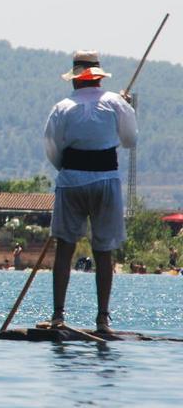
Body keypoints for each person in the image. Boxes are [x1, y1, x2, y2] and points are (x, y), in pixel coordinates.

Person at [42, 50, 137, 334]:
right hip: (106, 182)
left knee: (65, 247)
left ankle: (58, 314)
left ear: (76, 79)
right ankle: (102, 318)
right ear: (96, 77)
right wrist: (127, 107)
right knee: (103, 250)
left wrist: (68, 170)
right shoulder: (116, 104)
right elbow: (130, 140)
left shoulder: (62, 107)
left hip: (71, 181)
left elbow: (52, 147)